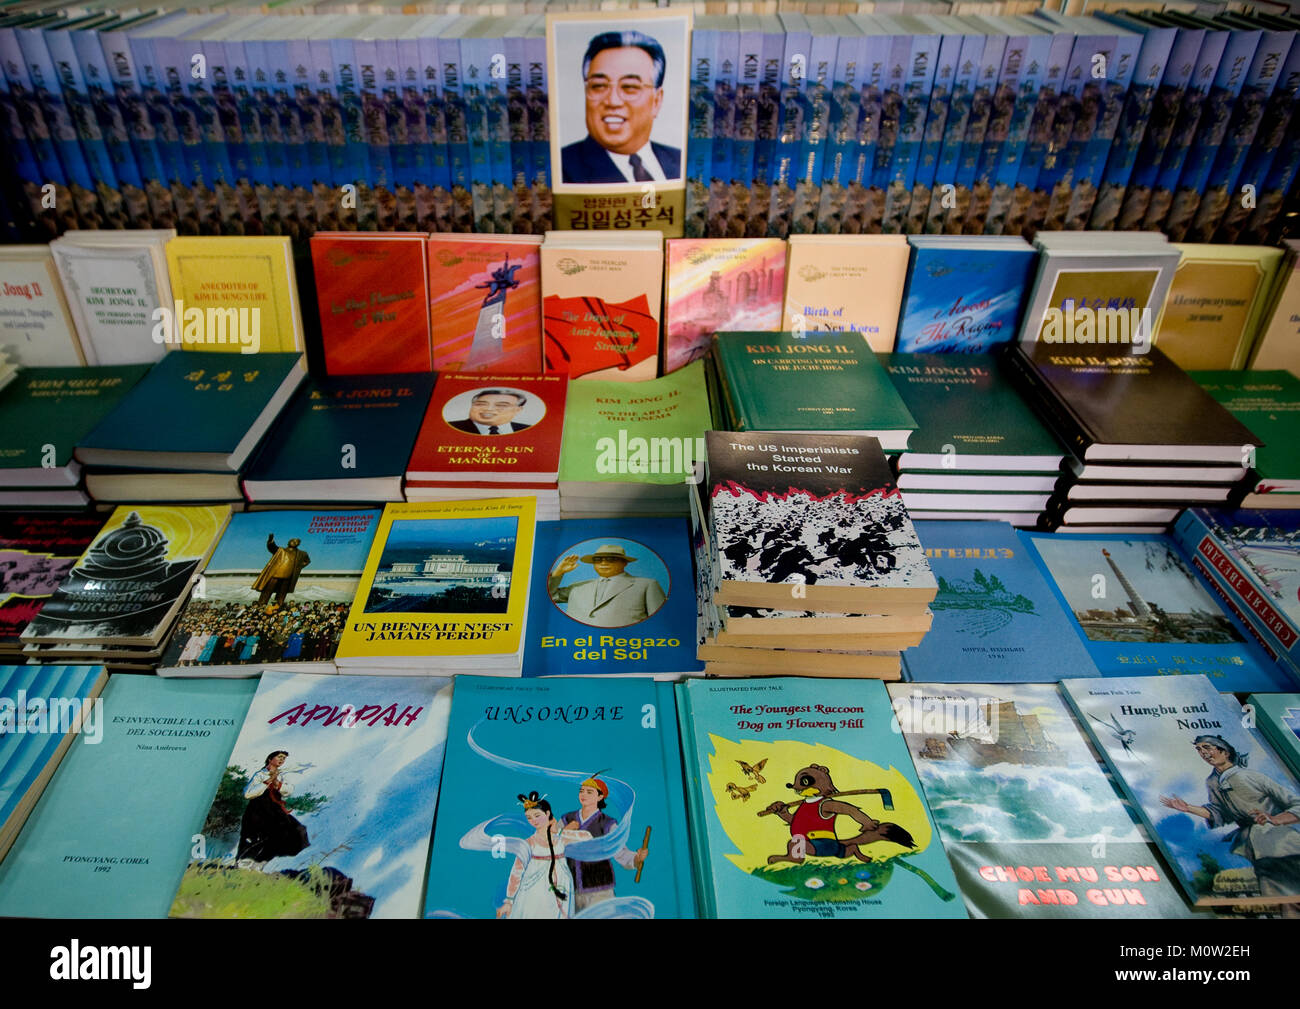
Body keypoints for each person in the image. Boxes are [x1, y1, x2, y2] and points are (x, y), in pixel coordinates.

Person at [1160, 734, 1300, 914]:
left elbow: (1296, 803)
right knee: (1282, 902)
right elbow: (1218, 812)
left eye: (1207, 748)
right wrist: (1188, 808)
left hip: (1285, 846)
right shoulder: (1212, 782)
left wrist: (1275, 819)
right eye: (1199, 750)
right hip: (1258, 852)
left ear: (1224, 752)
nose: (1203, 753)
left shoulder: (1252, 776)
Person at [560, 30, 682, 185]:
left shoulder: (681, 162)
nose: (613, 101)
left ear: (656, 101)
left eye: (630, 86)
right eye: (598, 86)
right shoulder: (560, 169)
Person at [496, 792, 590, 919]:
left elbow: (587, 837)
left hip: (561, 886)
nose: (533, 820)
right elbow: (516, 873)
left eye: (536, 815)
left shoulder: (560, 838)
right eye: (529, 817)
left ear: (547, 813)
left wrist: (560, 831)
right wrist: (509, 901)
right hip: (535, 889)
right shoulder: (528, 843)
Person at [562, 775, 648, 912]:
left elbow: (620, 851)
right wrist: (566, 830)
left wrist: (637, 859)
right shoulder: (567, 819)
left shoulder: (607, 823)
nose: (583, 795)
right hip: (568, 889)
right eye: (582, 791)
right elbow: (552, 844)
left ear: (600, 797)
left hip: (599, 889)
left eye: (589, 792)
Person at [547, 544, 666, 627]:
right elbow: (548, 596)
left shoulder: (647, 585)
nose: (603, 563)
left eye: (611, 559)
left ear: (624, 563)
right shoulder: (577, 586)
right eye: (598, 559)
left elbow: (660, 622)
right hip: (580, 645)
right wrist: (558, 573)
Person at [237, 751, 310, 869]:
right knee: (254, 836)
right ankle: (242, 863)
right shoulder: (260, 775)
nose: (282, 760)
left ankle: (260, 862)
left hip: (275, 811)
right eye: (279, 757)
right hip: (257, 810)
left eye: (284, 758)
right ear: (270, 759)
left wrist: (278, 784)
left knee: (293, 831)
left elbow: (289, 790)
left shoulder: (281, 775)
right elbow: (248, 794)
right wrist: (267, 782)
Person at [254, 533, 311, 607]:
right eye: (292, 540)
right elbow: (272, 547)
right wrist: (270, 540)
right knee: (267, 591)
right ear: (288, 542)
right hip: (275, 574)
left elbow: (307, 561)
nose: (294, 542)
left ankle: (278, 606)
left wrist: (298, 567)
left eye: (296, 541)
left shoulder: (302, 553)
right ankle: (262, 604)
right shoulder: (280, 550)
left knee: (282, 592)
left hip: (288, 576)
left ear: (298, 544)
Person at [447, 389, 532, 435]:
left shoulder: (528, 431)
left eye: (501, 405)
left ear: (518, 410)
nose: (489, 409)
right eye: (481, 404)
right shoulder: (449, 428)